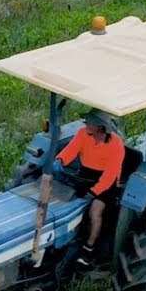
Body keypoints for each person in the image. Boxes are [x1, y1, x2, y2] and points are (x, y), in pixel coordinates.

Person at [41, 109, 125, 263]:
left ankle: (89, 247)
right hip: (85, 176)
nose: (85, 123)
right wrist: (60, 160)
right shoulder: (82, 134)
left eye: (90, 122)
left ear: (100, 127)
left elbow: (110, 175)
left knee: (95, 210)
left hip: (106, 183)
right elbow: (71, 150)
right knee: (64, 199)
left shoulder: (116, 144)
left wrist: (93, 193)